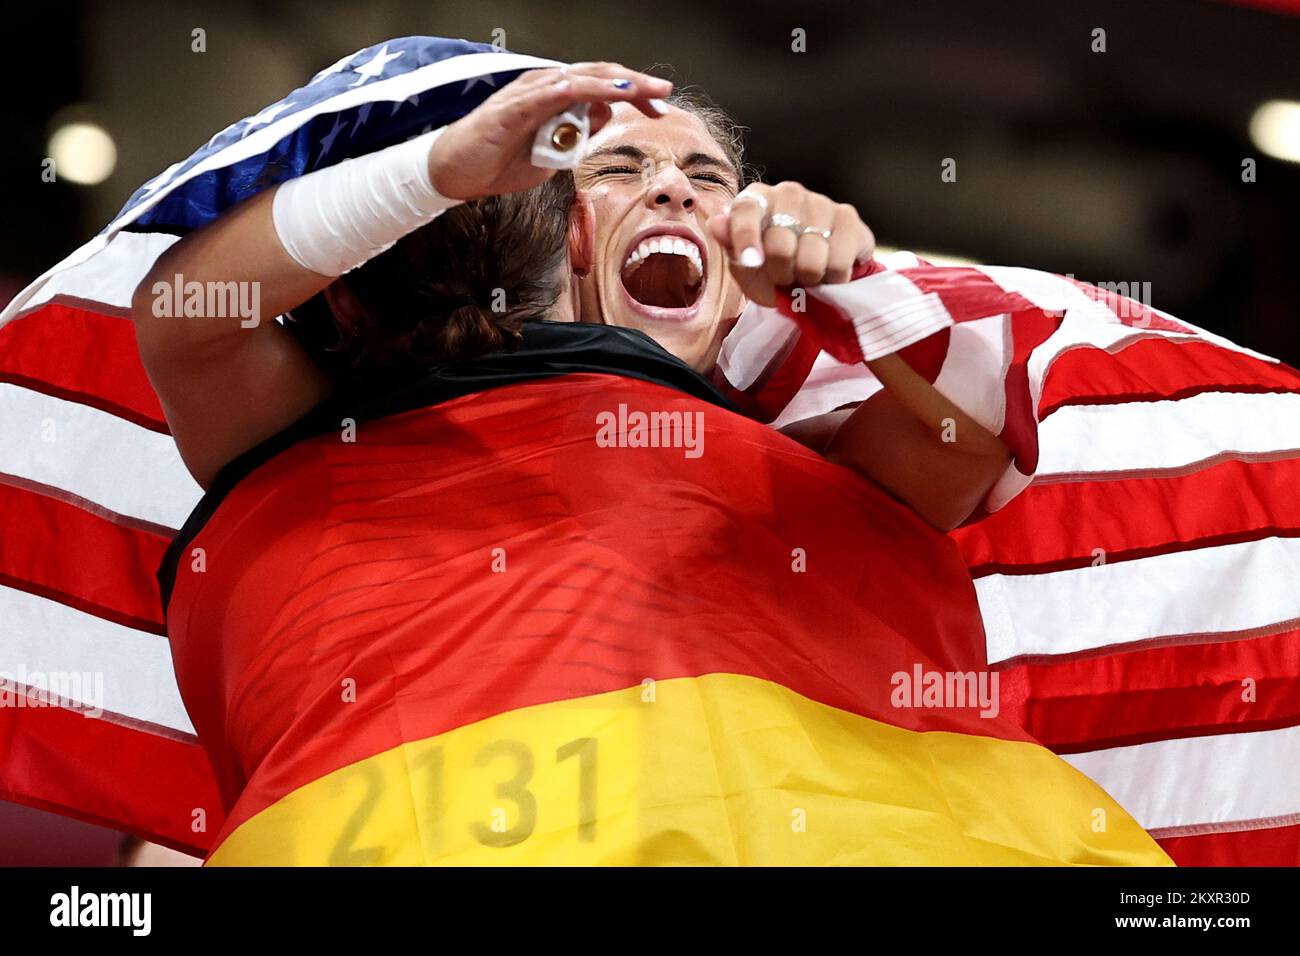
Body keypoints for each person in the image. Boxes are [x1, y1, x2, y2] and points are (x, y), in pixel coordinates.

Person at [135, 61, 1163, 866]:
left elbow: (976, 437)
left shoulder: (815, 469)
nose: (671, 184)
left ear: (732, 282)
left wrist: (850, 289)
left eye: (709, 179)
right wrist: (433, 171)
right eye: (617, 169)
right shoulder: (334, 425)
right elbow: (182, 316)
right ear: (545, 225)